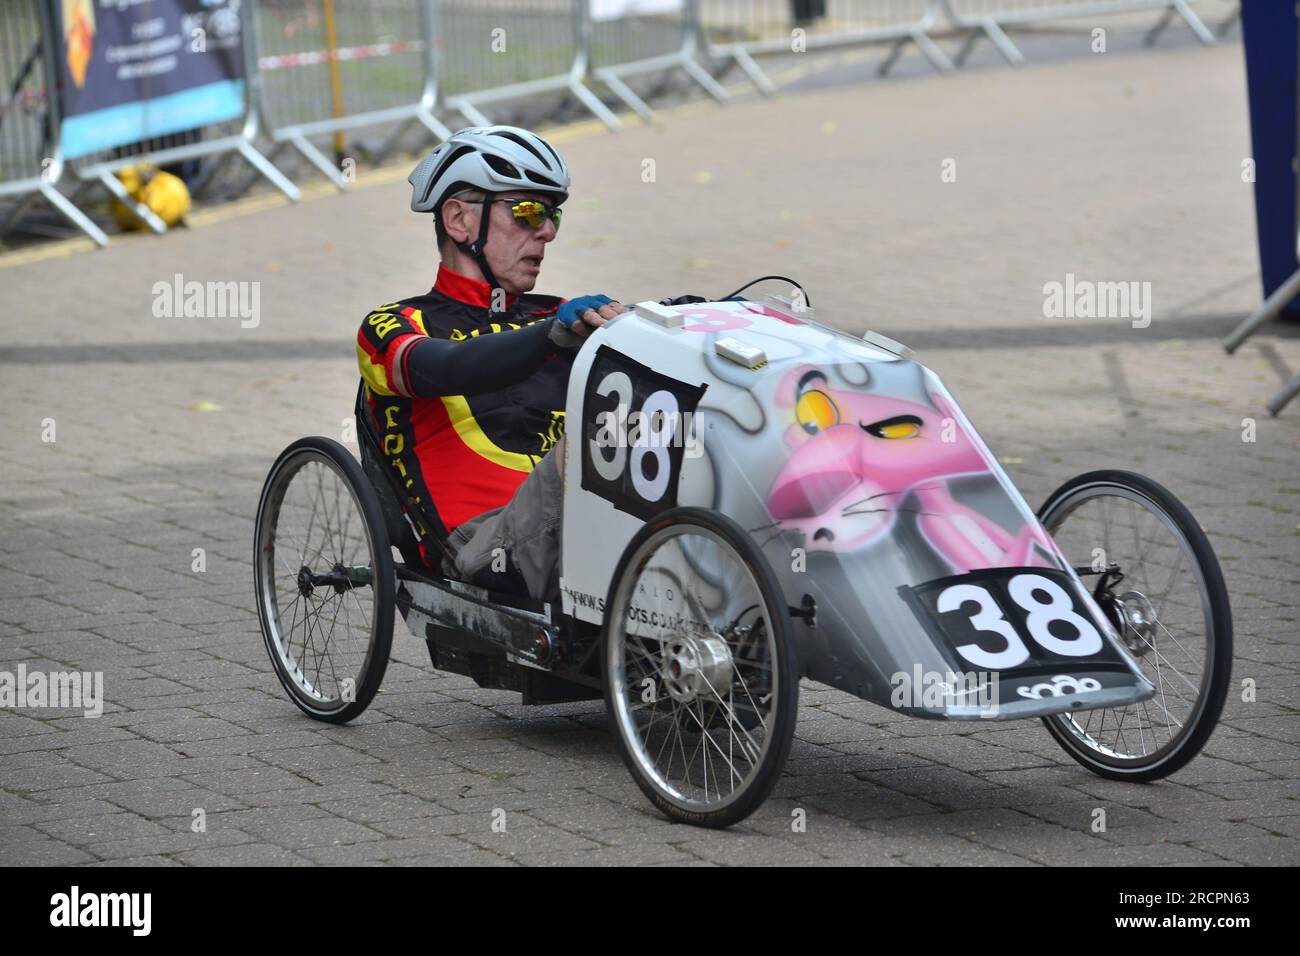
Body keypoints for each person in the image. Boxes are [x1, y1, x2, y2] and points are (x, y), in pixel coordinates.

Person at [356, 126, 626, 602]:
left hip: (585, 521)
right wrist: (550, 338)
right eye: (527, 211)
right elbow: (446, 368)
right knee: (614, 438)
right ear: (459, 220)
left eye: (552, 215)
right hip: (485, 545)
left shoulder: (555, 312)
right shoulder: (396, 323)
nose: (546, 230)